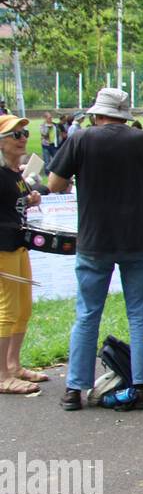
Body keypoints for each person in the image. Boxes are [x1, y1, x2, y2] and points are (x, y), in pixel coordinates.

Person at [47, 88, 143, 411]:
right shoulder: (140, 140)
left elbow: (54, 185)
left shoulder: (80, 139)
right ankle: (142, 384)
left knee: (87, 313)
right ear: (124, 114)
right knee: (139, 313)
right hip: (138, 239)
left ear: (96, 113)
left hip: (94, 240)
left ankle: (74, 389)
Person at [0, 116, 43, 396]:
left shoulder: (15, 173)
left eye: (24, 132)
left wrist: (30, 199)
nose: (23, 138)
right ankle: (2, 376)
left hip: (18, 242)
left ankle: (13, 366)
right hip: (2, 245)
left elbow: (12, 200)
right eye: (16, 135)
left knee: (23, 308)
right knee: (6, 310)